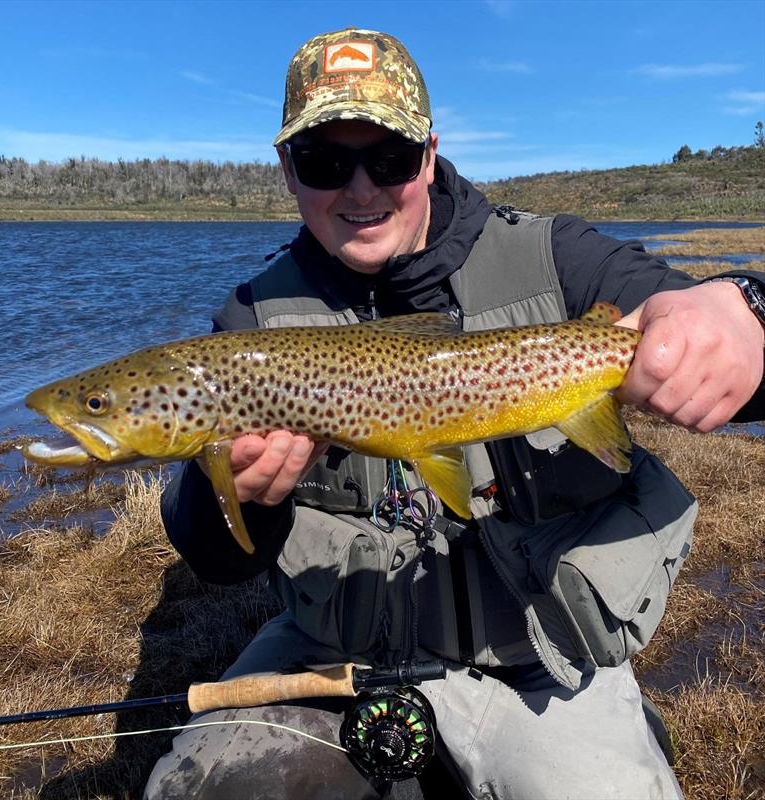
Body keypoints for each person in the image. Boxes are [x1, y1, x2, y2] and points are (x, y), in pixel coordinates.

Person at [144, 27, 765, 800]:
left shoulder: (558, 257)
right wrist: (227, 495)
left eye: (391, 158)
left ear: (430, 154)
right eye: (326, 163)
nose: (361, 188)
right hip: (338, 658)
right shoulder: (253, 320)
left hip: (544, 664)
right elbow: (219, 559)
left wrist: (744, 306)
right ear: (287, 170)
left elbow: (709, 332)